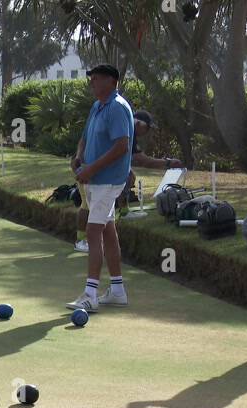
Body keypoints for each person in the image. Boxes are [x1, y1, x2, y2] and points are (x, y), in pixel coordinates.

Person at [67, 64, 134, 312]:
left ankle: (90, 295)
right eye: (91, 79)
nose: (92, 83)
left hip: (108, 181)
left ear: (112, 81)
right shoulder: (98, 106)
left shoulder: (116, 107)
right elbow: (85, 136)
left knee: (92, 232)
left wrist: (91, 169)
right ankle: (117, 290)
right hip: (97, 180)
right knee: (107, 230)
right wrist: (79, 156)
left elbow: (121, 146)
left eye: (96, 79)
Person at [74, 109, 183, 252]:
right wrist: (167, 163)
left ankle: (124, 211)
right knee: (87, 205)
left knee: (129, 176)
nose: (148, 132)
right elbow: (141, 160)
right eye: (147, 128)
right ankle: (81, 240)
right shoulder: (125, 128)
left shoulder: (128, 130)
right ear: (139, 123)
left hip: (101, 166)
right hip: (87, 167)